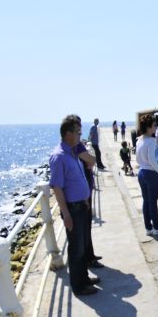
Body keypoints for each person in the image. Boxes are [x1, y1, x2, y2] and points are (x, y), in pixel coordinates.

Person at [49, 116, 100, 296]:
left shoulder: (72, 152)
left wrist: (85, 199)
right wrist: (66, 214)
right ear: (68, 134)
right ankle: (79, 286)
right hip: (73, 209)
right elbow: (57, 187)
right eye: (78, 132)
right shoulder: (59, 156)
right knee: (76, 249)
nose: (80, 136)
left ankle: (84, 278)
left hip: (82, 205)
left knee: (82, 244)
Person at [136, 113, 158, 235]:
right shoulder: (152, 141)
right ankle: (157, 227)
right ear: (148, 127)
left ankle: (148, 228)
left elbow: (138, 158)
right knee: (153, 201)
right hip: (151, 173)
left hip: (142, 172)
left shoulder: (139, 140)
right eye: (154, 125)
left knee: (146, 201)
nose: (155, 127)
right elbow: (153, 160)